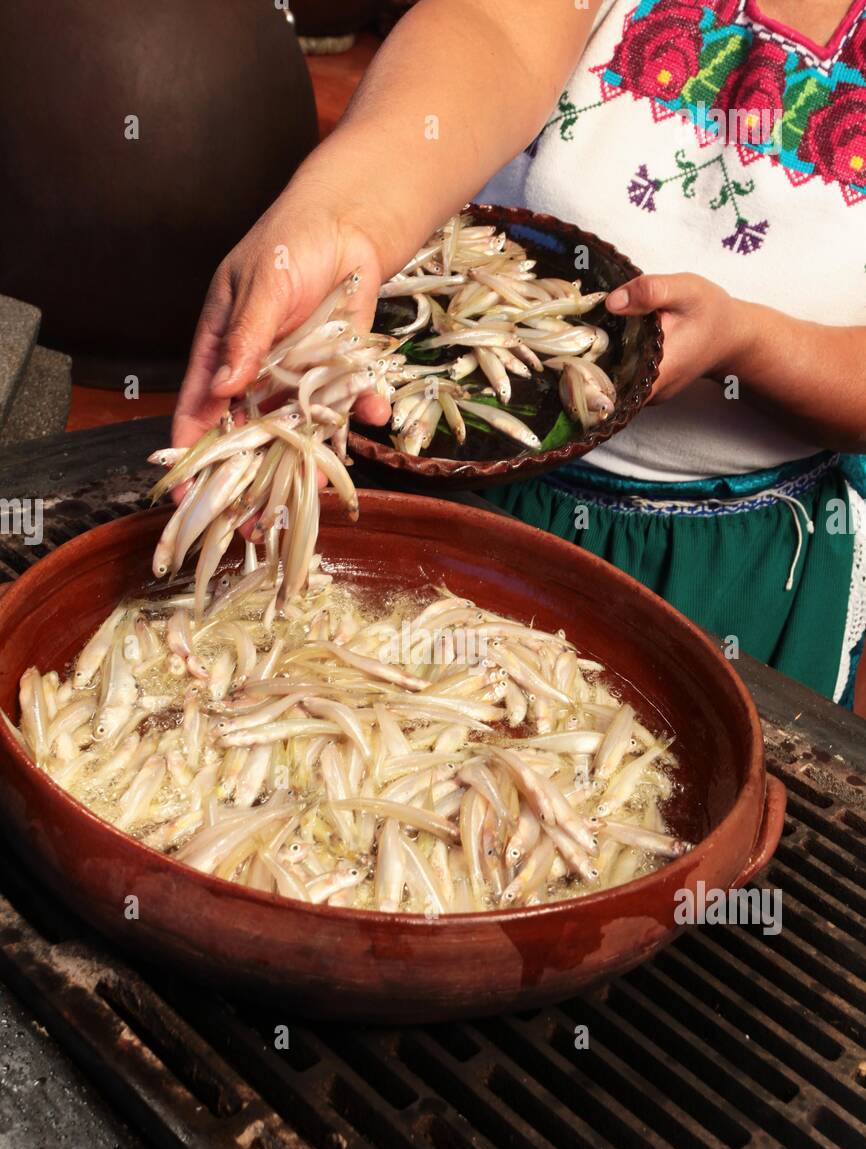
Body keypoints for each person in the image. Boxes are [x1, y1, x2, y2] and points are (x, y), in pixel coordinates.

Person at [172, 0, 866, 705]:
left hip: (723, 564)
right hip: (465, 470)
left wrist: (748, 344)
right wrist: (344, 209)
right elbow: (491, 29)